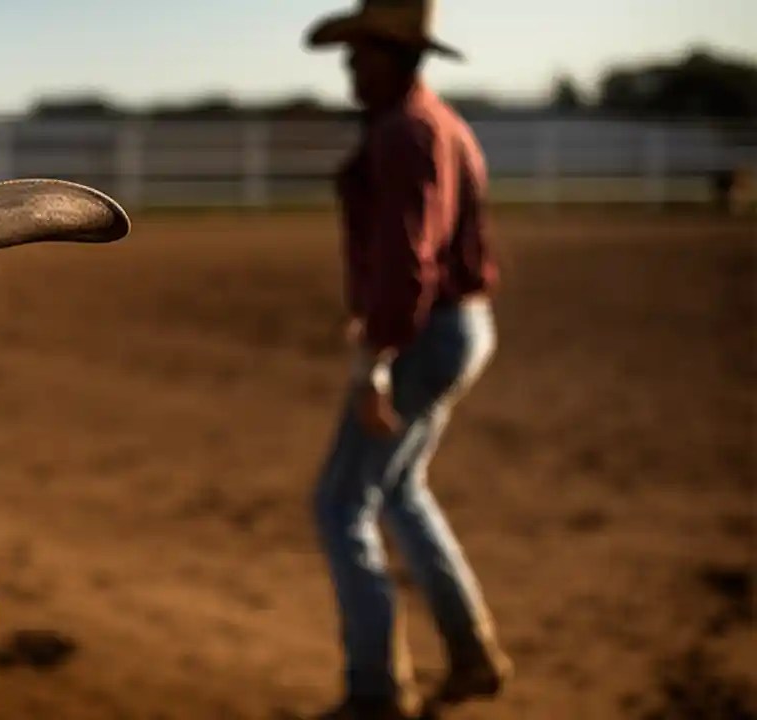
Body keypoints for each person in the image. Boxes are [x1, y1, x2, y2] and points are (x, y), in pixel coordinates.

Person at [302, 2, 513, 718]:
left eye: (362, 56)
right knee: (398, 489)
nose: (350, 69)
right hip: (459, 328)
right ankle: (471, 651)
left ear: (394, 59)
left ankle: (376, 690)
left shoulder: (404, 133)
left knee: (340, 504)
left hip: (423, 334)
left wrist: (376, 361)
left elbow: (407, 263)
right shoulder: (440, 124)